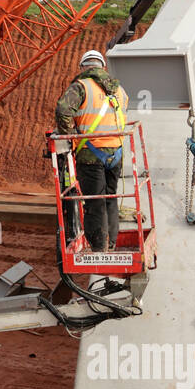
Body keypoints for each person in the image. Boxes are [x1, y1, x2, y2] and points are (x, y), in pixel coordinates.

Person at [55, 49, 129, 252]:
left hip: (91, 153)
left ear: (83, 68)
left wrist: (68, 133)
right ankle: (110, 243)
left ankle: (98, 247)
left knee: (94, 201)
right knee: (110, 197)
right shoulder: (119, 90)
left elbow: (63, 110)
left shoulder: (81, 86)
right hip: (116, 152)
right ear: (102, 67)